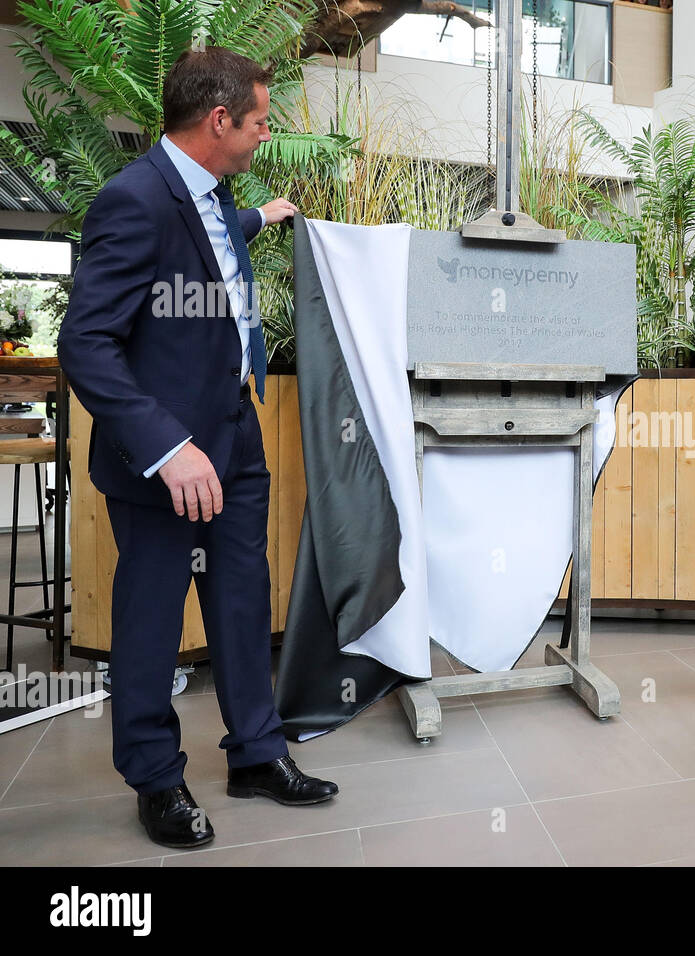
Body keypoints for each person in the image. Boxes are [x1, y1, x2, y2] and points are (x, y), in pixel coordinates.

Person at [58, 47, 338, 849]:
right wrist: (165, 446)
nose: (263, 136)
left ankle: (255, 753)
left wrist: (265, 216)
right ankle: (156, 778)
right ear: (218, 121)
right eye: (258, 123)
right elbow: (87, 344)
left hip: (235, 443)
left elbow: (212, 251)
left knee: (242, 604)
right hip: (168, 465)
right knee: (149, 622)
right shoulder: (132, 201)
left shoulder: (217, 199)